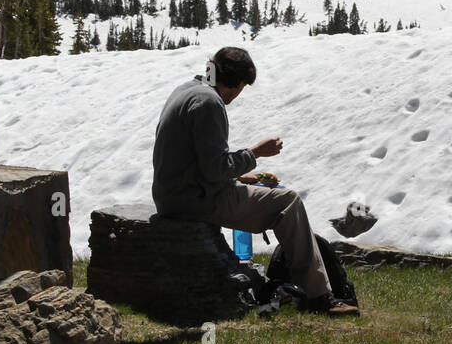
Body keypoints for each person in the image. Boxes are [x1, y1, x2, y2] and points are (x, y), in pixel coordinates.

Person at [152, 46, 359, 316]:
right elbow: (215, 169)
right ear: (236, 83)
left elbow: (198, 159)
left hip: (174, 194)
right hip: (196, 200)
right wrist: (256, 153)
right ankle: (321, 296)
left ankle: (309, 288)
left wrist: (240, 176)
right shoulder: (210, 103)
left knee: (275, 198)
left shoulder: (186, 90)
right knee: (288, 202)